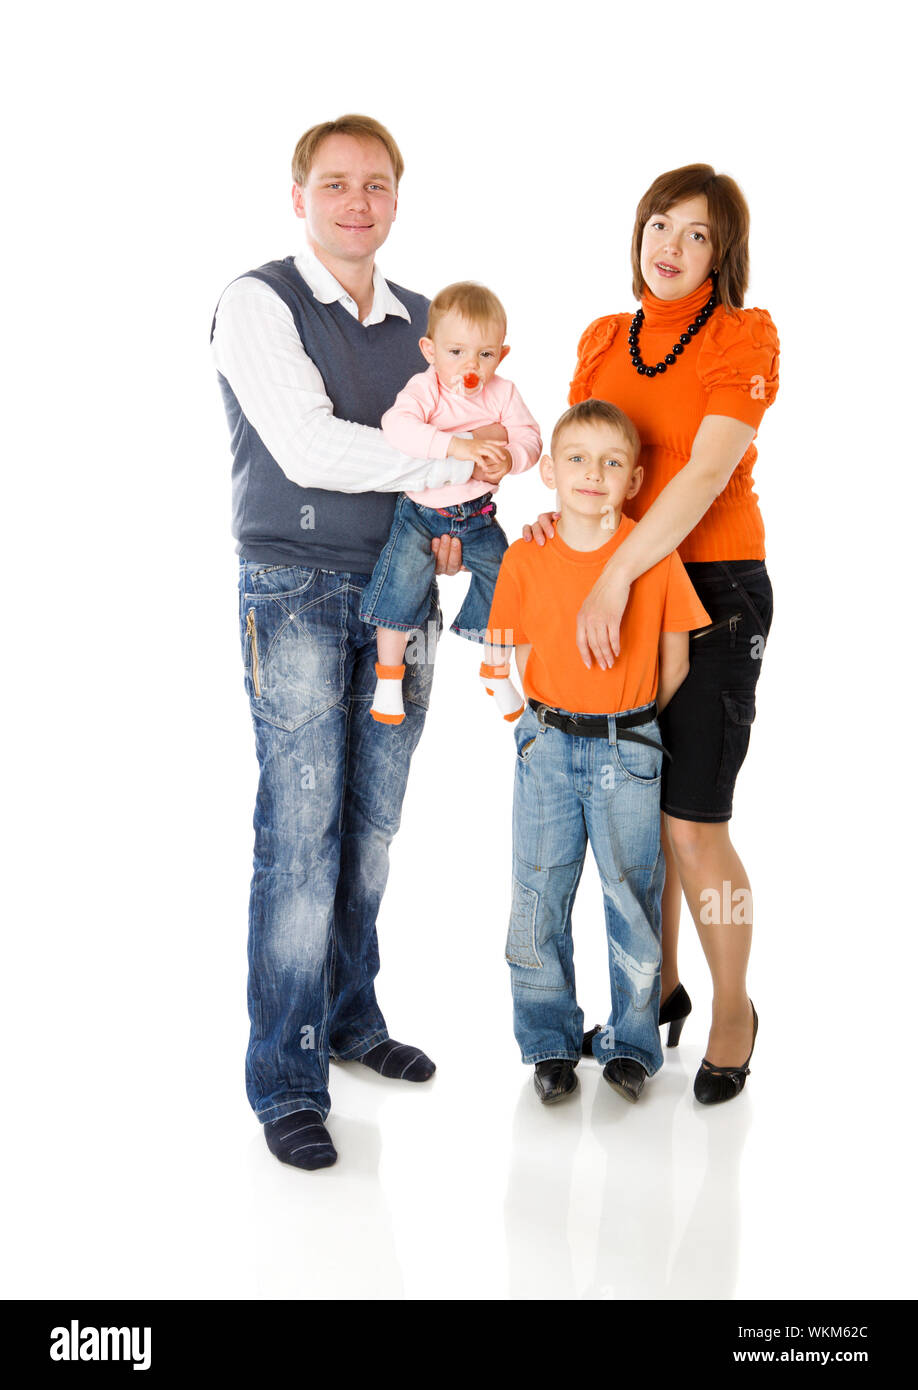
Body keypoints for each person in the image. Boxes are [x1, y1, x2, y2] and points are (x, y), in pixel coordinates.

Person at [210, 115, 502, 1170]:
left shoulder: (430, 324)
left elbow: (479, 460)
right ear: (300, 198)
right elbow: (307, 447)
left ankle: (348, 1016)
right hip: (292, 586)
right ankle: (286, 1079)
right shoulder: (259, 302)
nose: (356, 201)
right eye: (334, 183)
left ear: (396, 199)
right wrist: (450, 464)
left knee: (371, 827)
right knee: (301, 837)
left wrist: (466, 506)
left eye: (375, 183)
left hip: (401, 595)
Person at [526, 165, 780, 1104]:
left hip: (712, 590)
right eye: (660, 225)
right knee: (635, 812)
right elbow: (589, 462)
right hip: (620, 588)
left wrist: (613, 573)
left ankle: (732, 1013)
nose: (671, 247)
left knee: (692, 825)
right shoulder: (605, 338)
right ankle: (657, 991)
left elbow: (704, 476)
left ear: (722, 255)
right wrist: (561, 531)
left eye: (697, 234)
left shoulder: (742, 336)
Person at [486, 399, 710, 1105]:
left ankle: (633, 1044)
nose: (593, 473)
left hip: (629, 748)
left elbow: (675, 659)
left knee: (632, 899)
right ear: (549, 471)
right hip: (547, 746)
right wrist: (539, 723)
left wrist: (631, 722)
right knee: (538, 894)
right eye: (577, 459)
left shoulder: (653, 554)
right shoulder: (527, 555)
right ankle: (550, 1044)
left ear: (635, 479)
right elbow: (510, 653)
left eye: (612, 462)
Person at [362, 280, 541, 724]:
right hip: (421, 515)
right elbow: (397, 428)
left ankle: (496, 670)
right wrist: (459, 446)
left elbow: (530, 437)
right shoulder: (426, 388)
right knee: (402, 585)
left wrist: (512, 458)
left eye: (486, 354)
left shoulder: (503, 393)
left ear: (502, 355)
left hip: (478, 517)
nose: (471, 365)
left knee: (511, 583)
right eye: (456, 352)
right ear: (430, 350)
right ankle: (389, 680)